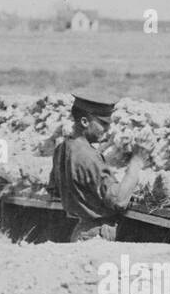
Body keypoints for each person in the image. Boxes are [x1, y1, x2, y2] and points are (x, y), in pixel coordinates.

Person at [46, 92, 147, 241]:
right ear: (85, 122)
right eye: (104, 123)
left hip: (82, 230)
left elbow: (54, 189)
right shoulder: (88, 156)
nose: (107, 129)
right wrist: (137, 159)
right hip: (96, 234)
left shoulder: (63, 148)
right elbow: (119, 201)